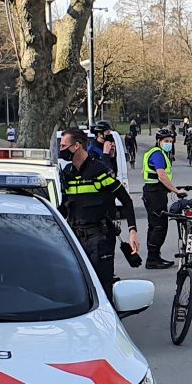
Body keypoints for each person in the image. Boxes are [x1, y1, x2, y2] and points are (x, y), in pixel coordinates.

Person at [58, 126, 140, 296]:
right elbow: (65, 207)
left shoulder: (99, 170)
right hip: (76, 237)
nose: (61, 150)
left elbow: (125, 200)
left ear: (77, 146)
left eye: (64, 146)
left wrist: (132, 231)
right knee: (79, 287)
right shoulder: (68, 173)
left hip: (100, 237)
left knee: (102, 287)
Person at [142, 128, 187, 270]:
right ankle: (152, 259)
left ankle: (154, 256)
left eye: (171, 141)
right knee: (160, 226)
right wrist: (176, 190)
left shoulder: (153, 153)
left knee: (154, 225)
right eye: (166, 141)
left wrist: (169, 187)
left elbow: (145, 172)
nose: (169, 143)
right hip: (155, 194)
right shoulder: (158, 154)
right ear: (158, 141)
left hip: (152, 192)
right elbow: (161, 175)